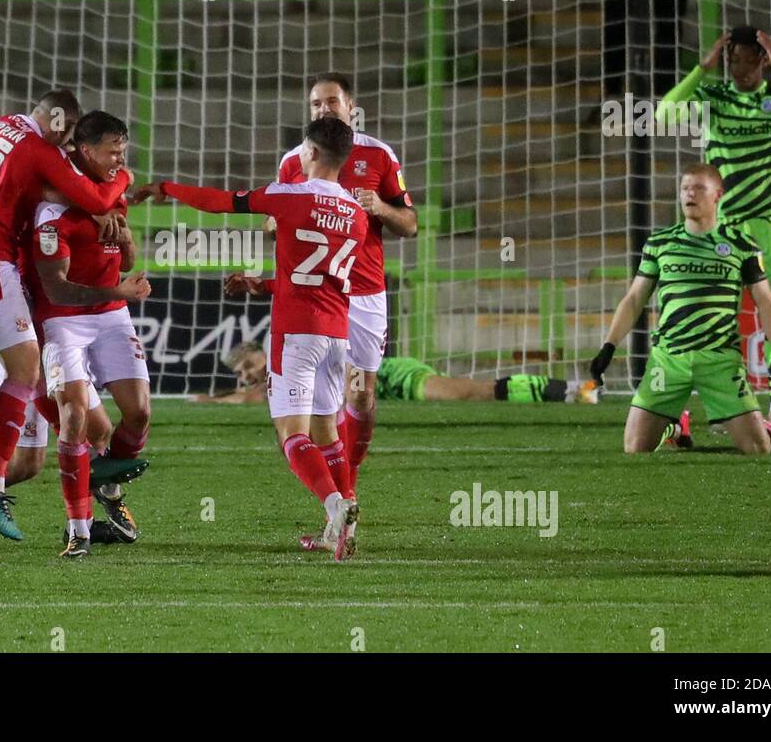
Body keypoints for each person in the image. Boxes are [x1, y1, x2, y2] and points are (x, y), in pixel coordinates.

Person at [135, 116, 367, 561]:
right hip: (338, 335)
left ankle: (335, 505)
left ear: (312, 153)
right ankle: (339, 516)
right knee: (326, 432)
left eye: (302, 148)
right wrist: (262, 285)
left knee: (290, 434)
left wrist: (167, 188)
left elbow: (222, 202)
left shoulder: (288, 195)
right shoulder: (356, 215)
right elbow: (322, 279)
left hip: (296, 335)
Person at [0, 90, 129, 545]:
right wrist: (120, 182)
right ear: (56, 126)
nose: (66, 149)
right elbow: (91, 197)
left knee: (36, 459)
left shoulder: (6, 127)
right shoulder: (45, 162)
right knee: (71, 412)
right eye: (67, 139)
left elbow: (68, 191)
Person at [658, 27, 771, 434]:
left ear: (762, 59)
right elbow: (665, 114)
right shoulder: (714, 96)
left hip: (769, 226)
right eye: (732, 60)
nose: (739, 69)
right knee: (714, 317)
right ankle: (726, 407)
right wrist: (701, 71)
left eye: (748, 60)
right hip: (724, 228)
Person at [273, 73, 417, 494]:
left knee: (360, 398)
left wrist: (383, 209)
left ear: (351, 107)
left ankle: (347, 486)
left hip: (366, 295)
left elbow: (410, 225)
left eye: (331, 102)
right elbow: (277, 220)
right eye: (316, 103)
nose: (323, 109)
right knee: (322, 405)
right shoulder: (293, 160)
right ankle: (343, 498)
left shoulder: (378, 156)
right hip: (318, 297)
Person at [588, 163, 771, 455]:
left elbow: (766, 303)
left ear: (717, 195)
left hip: (720, 360)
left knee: (758, 451)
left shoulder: (741, 245)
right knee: (634, 449)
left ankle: (769, 431)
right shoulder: (660, 243)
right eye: (685, 188)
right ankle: (675, 427)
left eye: (699, 188)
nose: (689, 194)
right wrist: (608, 346)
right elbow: (634, 299)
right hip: (668, 360)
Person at [27, 111, 153, 557]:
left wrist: (123, 241)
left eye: (124, 150)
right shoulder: (52, 211)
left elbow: (129, 253)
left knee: (137, 414)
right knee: (75, 417)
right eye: (112, 151)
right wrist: (117, 287)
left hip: (113, 315)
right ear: (85, 151)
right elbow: (55, 286)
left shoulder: (110, 192)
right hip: (62, 319)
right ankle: (78, 528)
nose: (121, 159)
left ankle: (107, 483)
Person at [199, 336, 598, 406]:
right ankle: (568, 391)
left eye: (250, 364)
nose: (250, 374)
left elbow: (253, 399)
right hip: (375, 394)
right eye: (244, 372)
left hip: (390, 377)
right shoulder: (275, 380)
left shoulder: (288, 359)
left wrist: (210, 402)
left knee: (465, 393)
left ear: (261, 354)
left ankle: (570, 390)